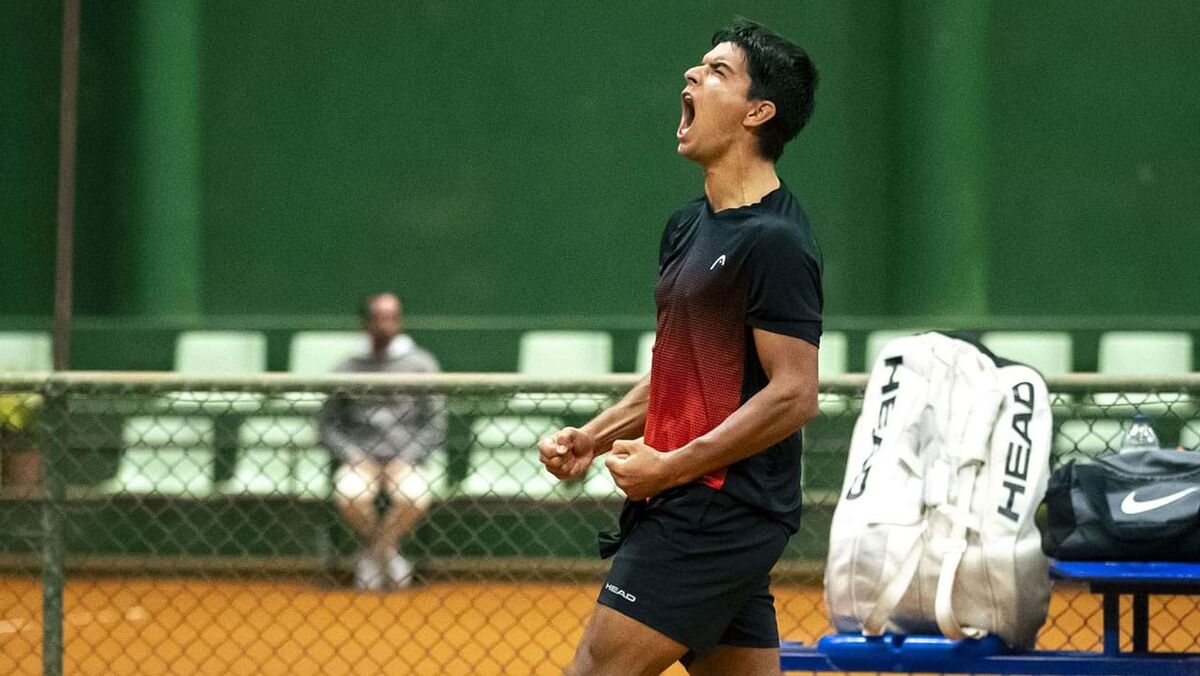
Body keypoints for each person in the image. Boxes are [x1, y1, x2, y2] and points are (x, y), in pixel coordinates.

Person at [539, 19, 822, 676]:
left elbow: (795, 392)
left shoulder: (775, 242)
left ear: (758, 112)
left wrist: (671, 466)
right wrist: (593, 434)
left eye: (718, 71)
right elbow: (679, 371)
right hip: (701, 504)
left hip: (713, 511)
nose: (693, 76)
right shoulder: (686, 228)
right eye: (699, 66)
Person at [319, 293, 446, 591]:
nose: (384, 325)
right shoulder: (347, 367)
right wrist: (351, 453)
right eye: (377, 318)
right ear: (365, 323)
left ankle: (375, 554)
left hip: (406, 460)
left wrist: (410, 454)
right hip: (359, 460)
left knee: (414, 497)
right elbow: (327, 424)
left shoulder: (421, 364)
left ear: (399, 322)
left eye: (390, 318)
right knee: (349, 495)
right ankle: (388, 555)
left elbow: (435, 424)